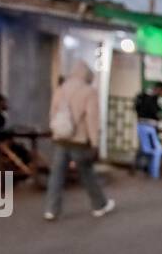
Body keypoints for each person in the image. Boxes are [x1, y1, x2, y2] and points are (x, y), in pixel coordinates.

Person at [45, 60, 114, 221]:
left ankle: (51, 209)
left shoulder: (61, 89)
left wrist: (55, 131)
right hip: (79, 141)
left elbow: (53, 113)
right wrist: (95, 143)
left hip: (61, 139)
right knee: (87, 174)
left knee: (56, 175)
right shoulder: (89, 92)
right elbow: (92, 119)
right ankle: (99, 205)